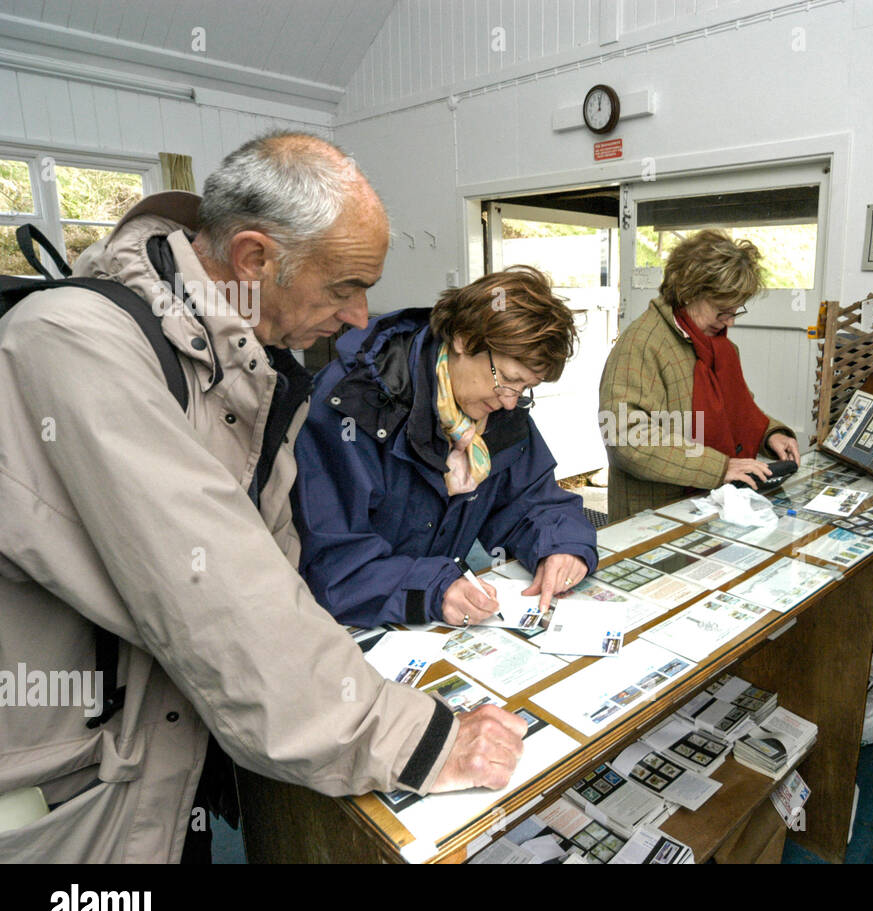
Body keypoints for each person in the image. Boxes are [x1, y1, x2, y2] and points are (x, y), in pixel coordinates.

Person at [0, 132, 525, 864]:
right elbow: (215, 592)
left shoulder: (253, 370)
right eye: (344, 287)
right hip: (71, 796)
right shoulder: (74, 342)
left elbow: (278, 575)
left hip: (171, 758)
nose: (360, 317)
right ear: (254, 260)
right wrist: (416, 736)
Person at [291, 265, 597, 628]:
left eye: (525, 388)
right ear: (465, 339)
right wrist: (434, 589)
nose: (512, 402)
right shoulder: (352, 404)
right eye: (509, 380)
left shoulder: (496, 408)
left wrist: (561, 546)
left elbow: (531, 502)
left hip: (422, 621)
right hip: (340, 627)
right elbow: (332, 567)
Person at [598, 229, 800, 520]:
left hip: (713, 506)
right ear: (689, 292)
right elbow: (626, 438)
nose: (730, 321)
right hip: (655, 516)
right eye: (721, 310)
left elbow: (737, 411)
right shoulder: (642, 345)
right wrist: (719, 467)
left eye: (735, 310)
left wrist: (771, 433)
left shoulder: (718, 347)